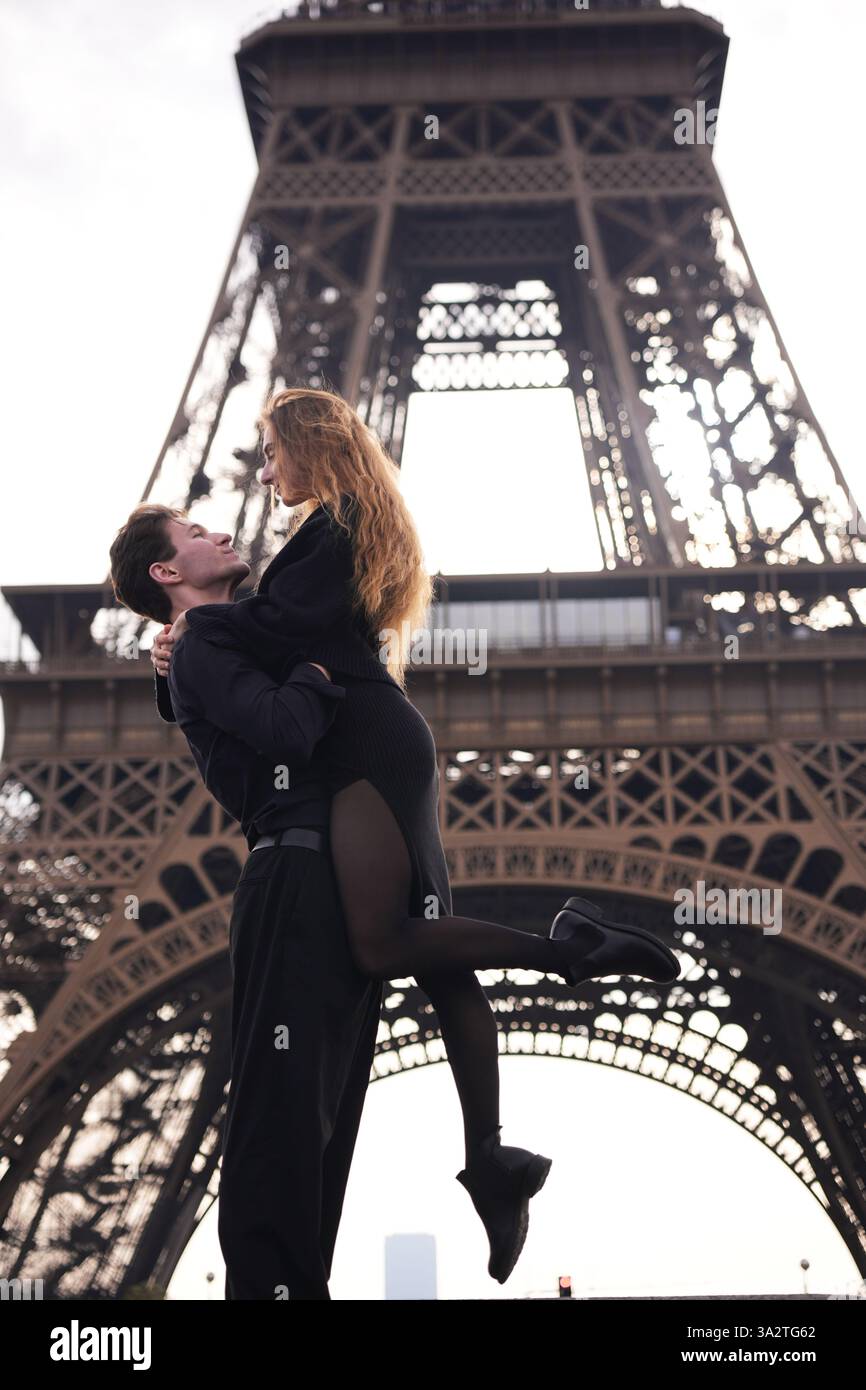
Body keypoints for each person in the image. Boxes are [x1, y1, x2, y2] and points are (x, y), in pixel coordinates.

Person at [150, 386, 681, 1285]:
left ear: (307, 442)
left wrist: (186, 633)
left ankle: (569, 950)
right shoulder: (357, 517)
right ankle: (491, 1159)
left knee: (381, 942)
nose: (265, 473)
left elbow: (275, 630)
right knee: (435, 955)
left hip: (362, 744)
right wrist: (180, 656)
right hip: (390, 739)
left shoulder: (333, 527)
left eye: (271, 453)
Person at [109, 506, 382, 1300]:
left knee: (325, 1111)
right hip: (292, 873)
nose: (223, 533)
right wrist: (318, 674)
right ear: (166, 572)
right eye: (196, 534)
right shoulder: (206, 644)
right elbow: (280, 724)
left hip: (334, 874)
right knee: (284, 1110)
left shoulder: (236, 632)